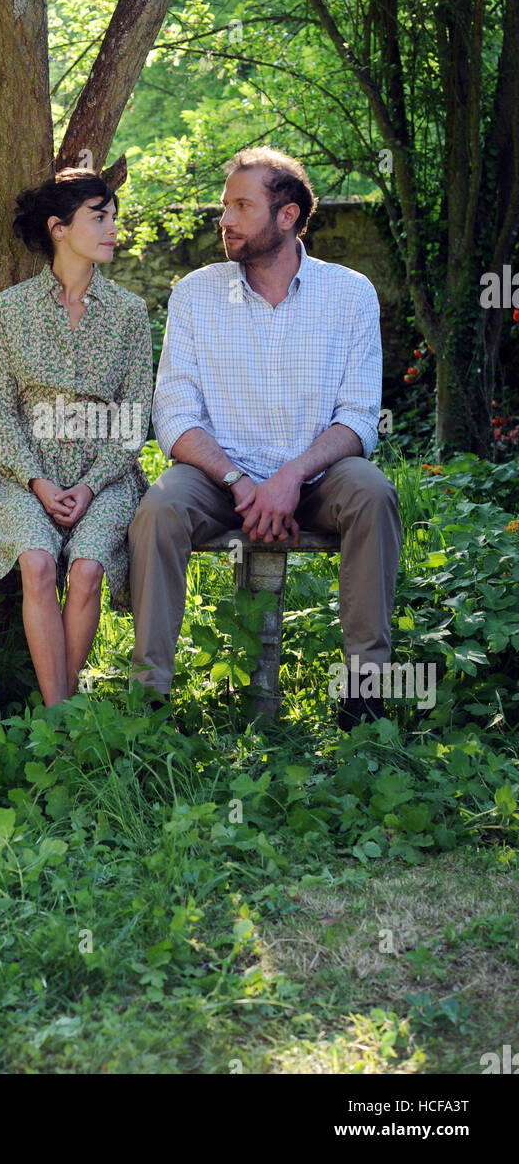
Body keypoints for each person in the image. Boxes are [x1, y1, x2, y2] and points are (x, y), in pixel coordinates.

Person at [128, 146, 402, 730]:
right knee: (158, 509)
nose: (224, 220)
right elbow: (174, 414)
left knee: (373, 492)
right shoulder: (196, 294)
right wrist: (239, 480)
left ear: (287, 216)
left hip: (319, 479)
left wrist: (289, 477)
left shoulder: (350, 294)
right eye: (225, 206)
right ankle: (148, 700)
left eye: (241, 206)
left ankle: (366, 697)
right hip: (219, 477)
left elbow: (357, 417)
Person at [0, 168, 153, 706]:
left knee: (86, 569)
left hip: (105, 477)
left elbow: (134, 418)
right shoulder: (11, 308)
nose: (113, 229)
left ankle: (56, 717)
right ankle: (57, 719)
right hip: (22, 475)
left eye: (114, 218)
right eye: (99, 217)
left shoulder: (131, 313)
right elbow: (1, 416)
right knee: (37, 563)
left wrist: (89, 486)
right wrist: (38, 481)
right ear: (59, 228)